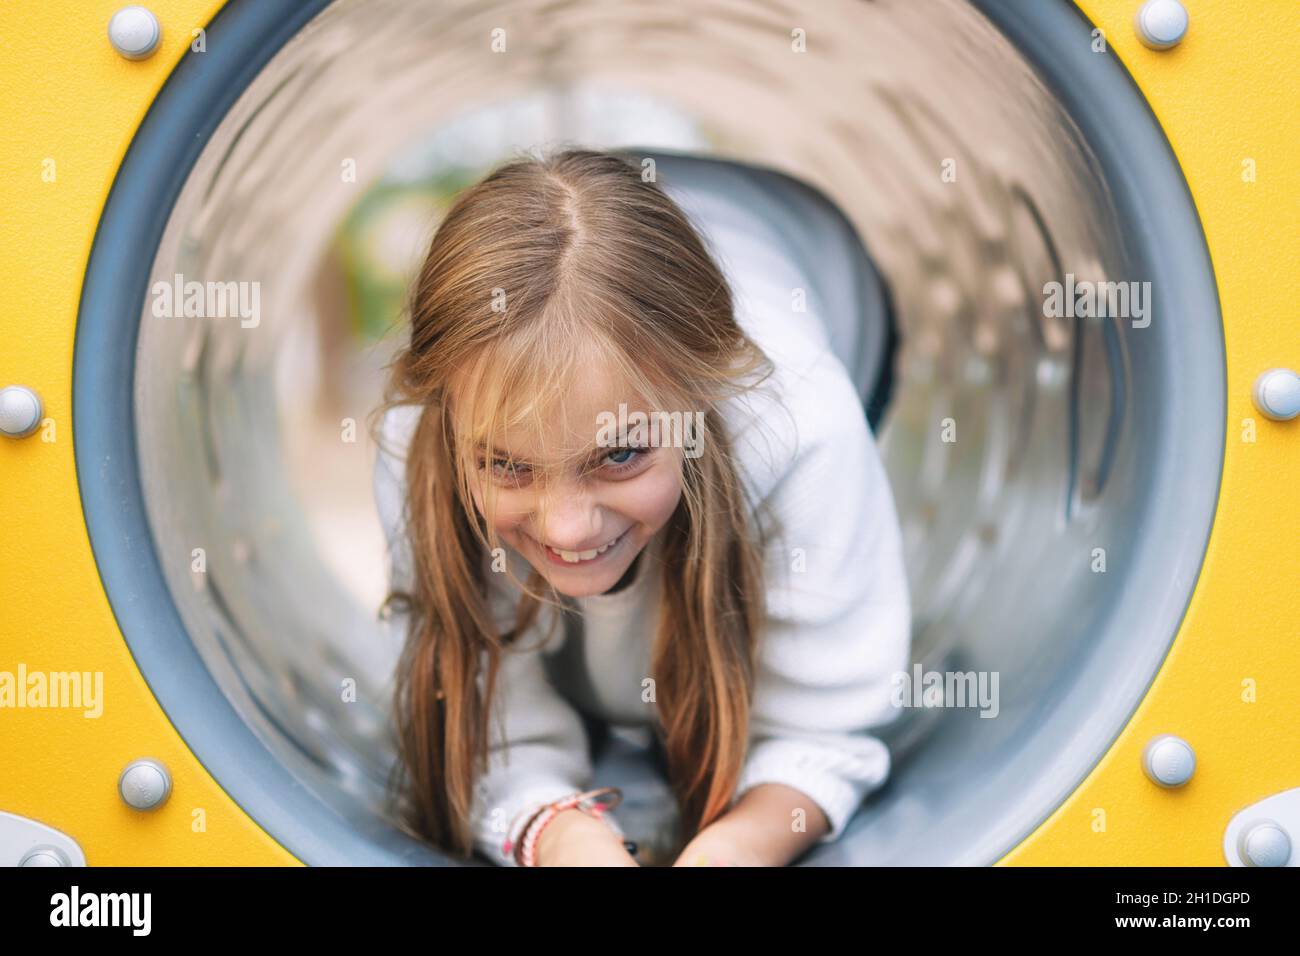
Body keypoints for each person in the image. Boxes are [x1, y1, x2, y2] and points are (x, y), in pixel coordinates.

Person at [371, 146, 911, 866]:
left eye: (620, 454)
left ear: (700, 396)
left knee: (713, 577)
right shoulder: (415, 439)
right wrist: (563, 837)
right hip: (602, 270)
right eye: (506, 464)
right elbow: (481, 724)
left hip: (823, 264)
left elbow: (824, 730)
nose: (567, 526)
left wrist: (734, 849)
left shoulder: (804, 423)